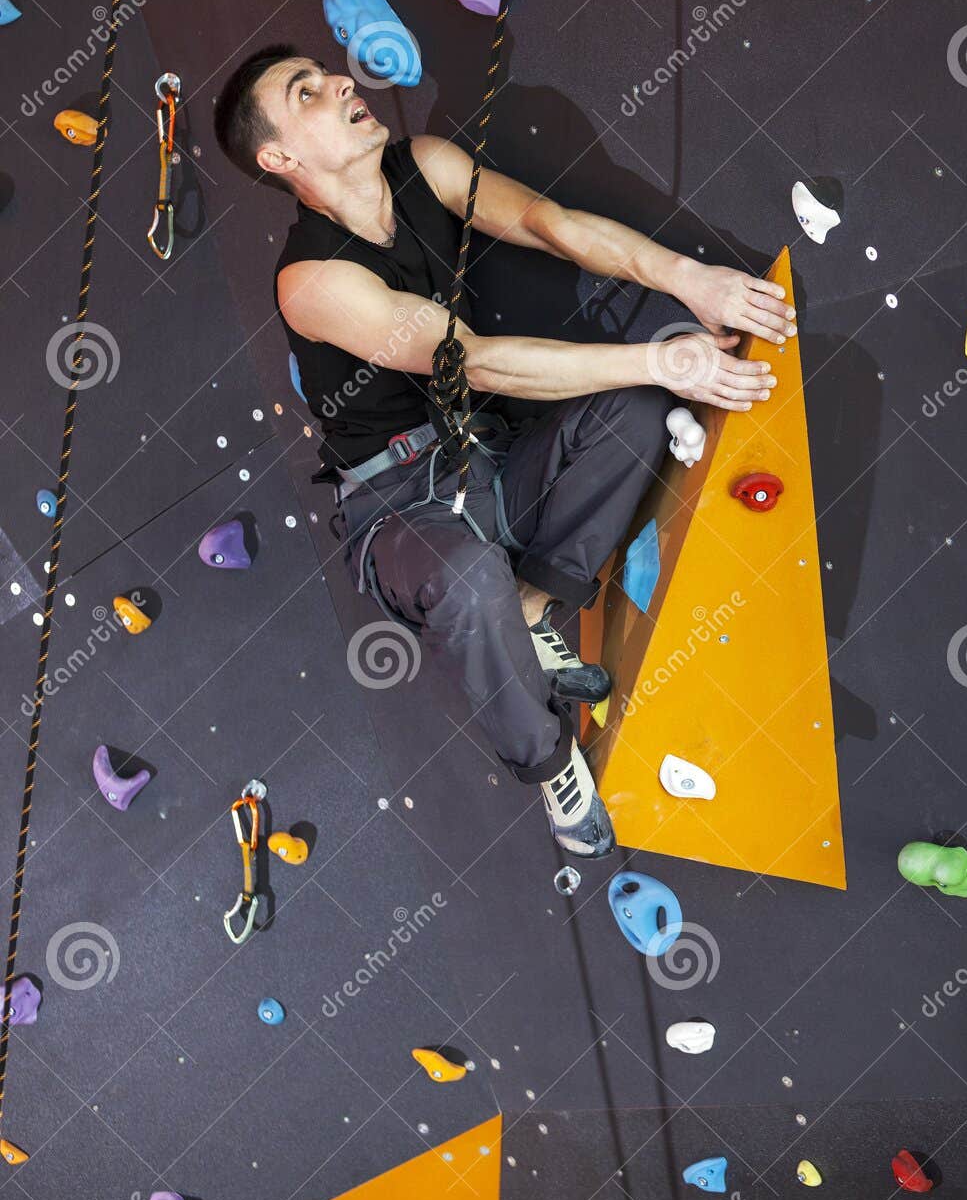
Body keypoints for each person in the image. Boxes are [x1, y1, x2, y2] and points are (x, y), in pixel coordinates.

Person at [213, 46, 795, 859]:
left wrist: (687, 277)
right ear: (279, 157)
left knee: (629, 411)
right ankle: (550, 762)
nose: (343, 82)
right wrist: (664, 357)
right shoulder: (311, 280)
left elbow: (543, 224)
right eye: (305, 91)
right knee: (464, 573)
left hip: (484, 461)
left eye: (329, 71)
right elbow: (474, 361)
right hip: (397, 515)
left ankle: (530, 612)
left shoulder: (424, 165)